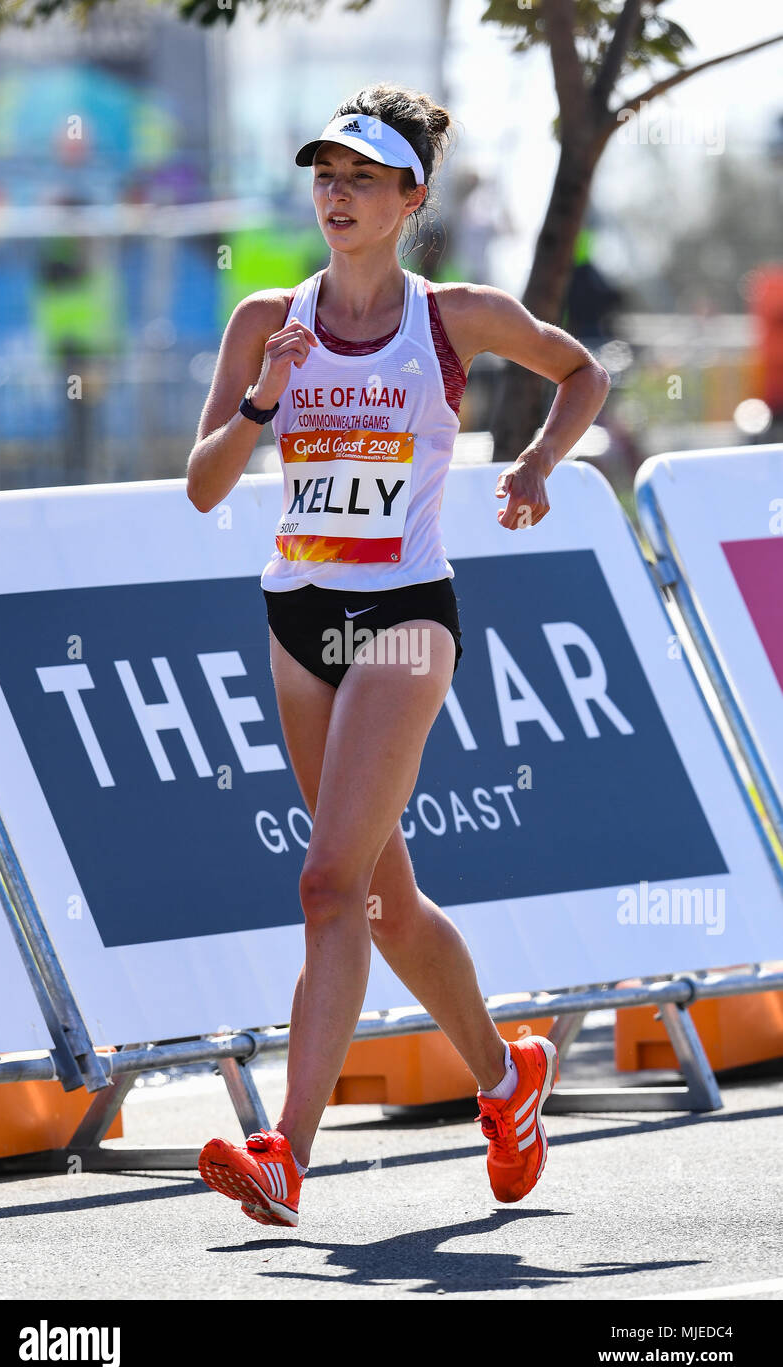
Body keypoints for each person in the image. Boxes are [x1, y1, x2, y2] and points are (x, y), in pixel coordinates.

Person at [187, 83, 610, 1228]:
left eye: (362, 177)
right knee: (383, 900)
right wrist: (266, 399)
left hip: (407, 616)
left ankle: (286, 1150)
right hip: (296, 620)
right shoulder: (264, 320)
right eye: (325, 173)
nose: (335, 193)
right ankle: (505, 1076)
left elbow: (583, 371)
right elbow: (204, 486)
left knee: (327, 883)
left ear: (409, 197)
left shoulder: (454, 314)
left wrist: (533, 468)